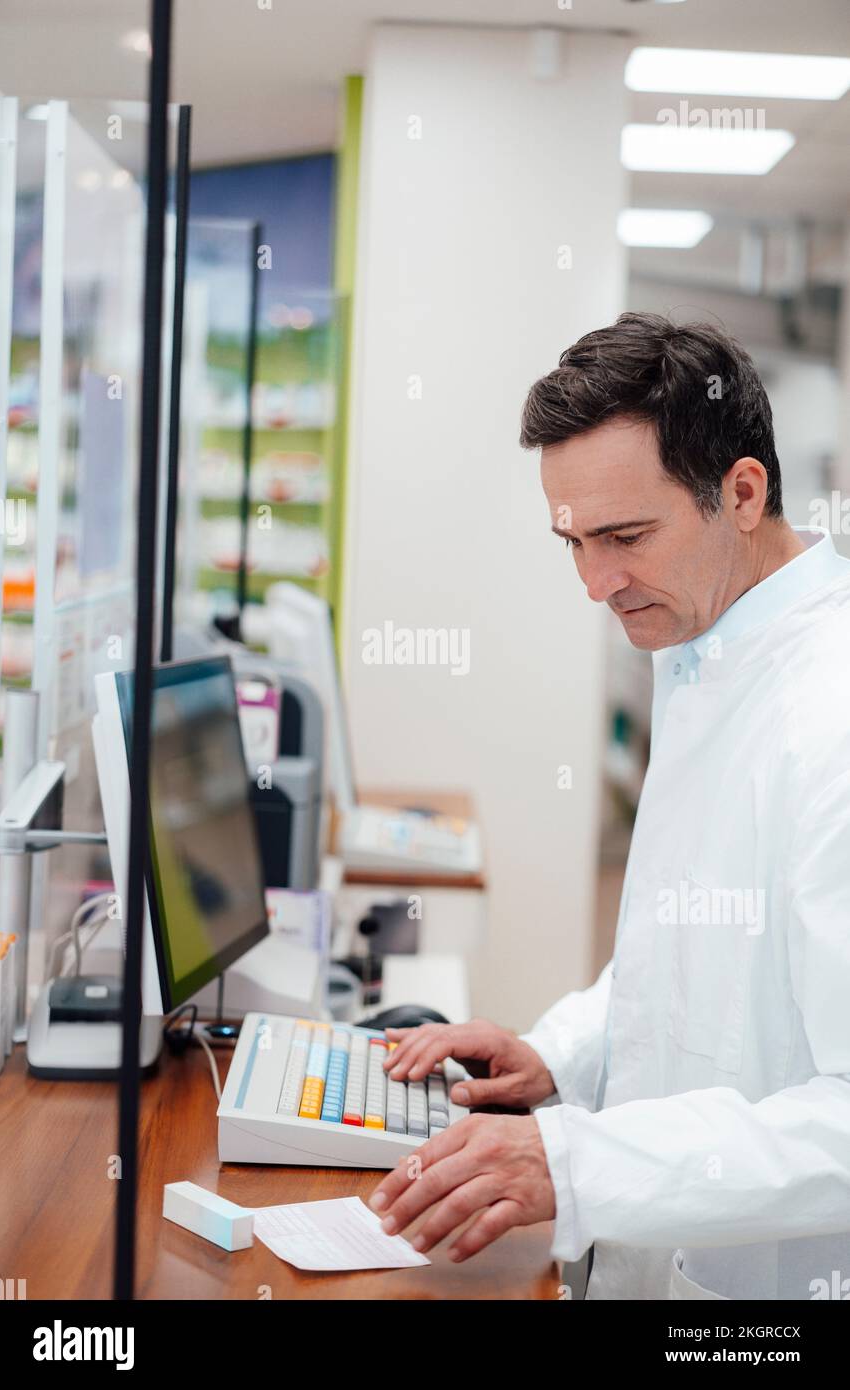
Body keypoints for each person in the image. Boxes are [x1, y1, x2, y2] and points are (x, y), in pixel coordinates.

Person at [368, 312, 850, 1301]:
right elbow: (694, 957)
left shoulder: (828, 716)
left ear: (743, 491)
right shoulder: (706, 645)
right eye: (575, 542)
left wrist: (574, 1164)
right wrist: (558, 1054)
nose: (596, 582)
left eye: (625, 537)